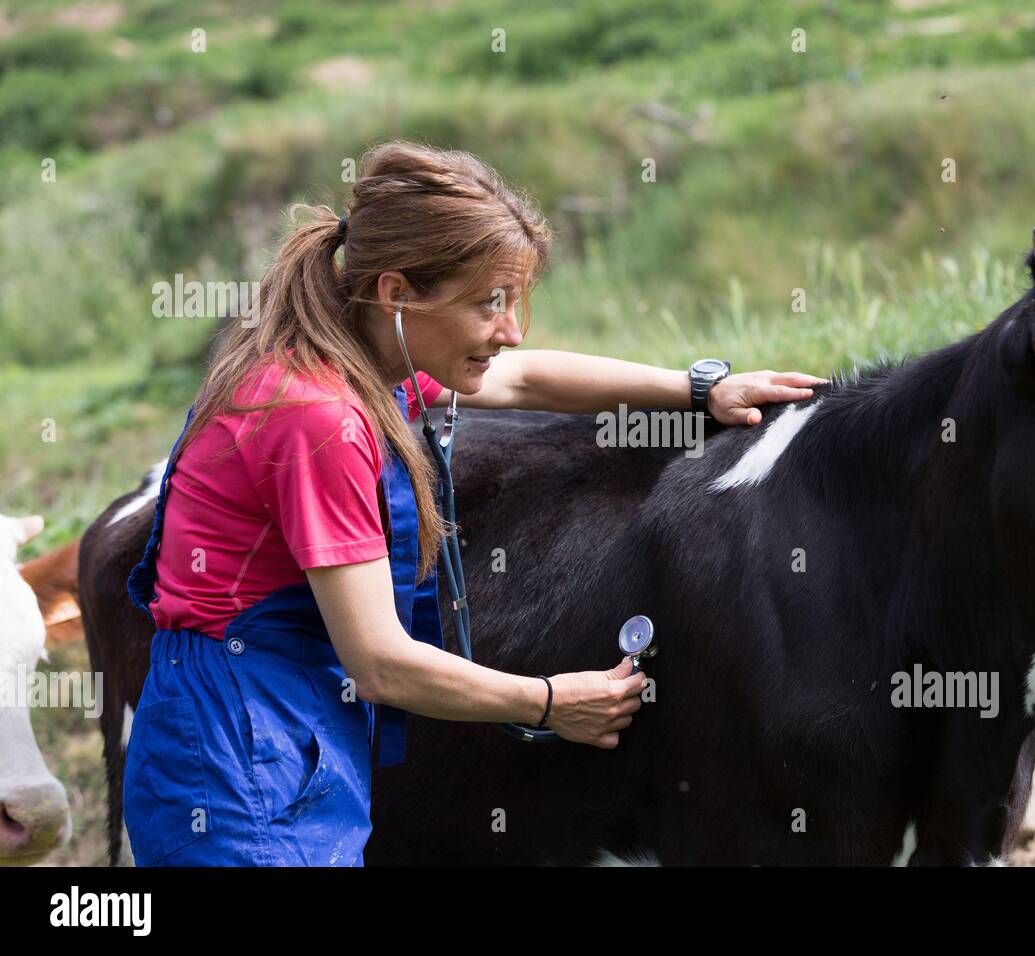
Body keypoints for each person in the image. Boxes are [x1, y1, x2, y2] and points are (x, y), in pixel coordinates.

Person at [121, 140, 827, 866]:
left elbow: (519, 381)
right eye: (488, 302)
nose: (511, 329)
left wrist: (699, 388)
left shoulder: (360, 363)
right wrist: (550, 702)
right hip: (237, 762)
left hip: (281, 736)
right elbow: (381, 664)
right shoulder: (317, 420)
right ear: (398, 293)